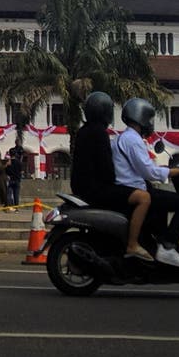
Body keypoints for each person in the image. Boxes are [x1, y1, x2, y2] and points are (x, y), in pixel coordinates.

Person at [111, 97, 179, 269]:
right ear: (140, 116)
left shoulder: (124, 138)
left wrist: (165, 169)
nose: (150, 123)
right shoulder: (133, 140)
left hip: (132, 187)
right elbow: (148, 171)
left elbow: (142, 167)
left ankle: (159, 242)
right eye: (149, 119)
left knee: (162, 201)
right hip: (134, 189)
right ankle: (168, 247)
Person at [71, 91, 153, 261]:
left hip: (83, 186)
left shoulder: (84, 131)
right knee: (143, 197)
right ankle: (132, 244)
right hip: (96, 189)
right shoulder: (100, 133)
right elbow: (106, 167)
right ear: (104, 112)